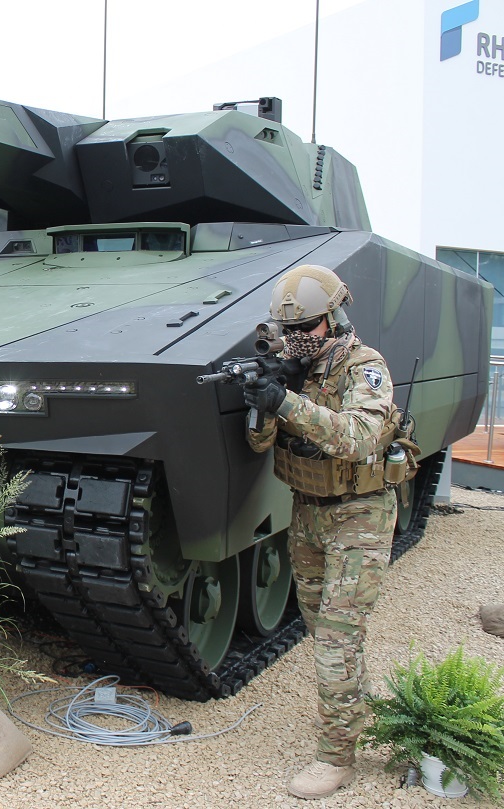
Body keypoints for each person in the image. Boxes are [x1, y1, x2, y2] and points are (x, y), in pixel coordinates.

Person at [243, 264, 399, 800]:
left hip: (360, 513)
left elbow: (360, 437)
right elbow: (261, 445)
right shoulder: (295, 367)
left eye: (306, 327)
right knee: (324, 630)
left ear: (333, 318)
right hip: (308, 513)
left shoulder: (364, 366)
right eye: (288, 331)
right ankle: (353, 705)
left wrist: (286, 402)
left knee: (336, 635)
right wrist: (265, 401)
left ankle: (336, 757)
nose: (295, 340)